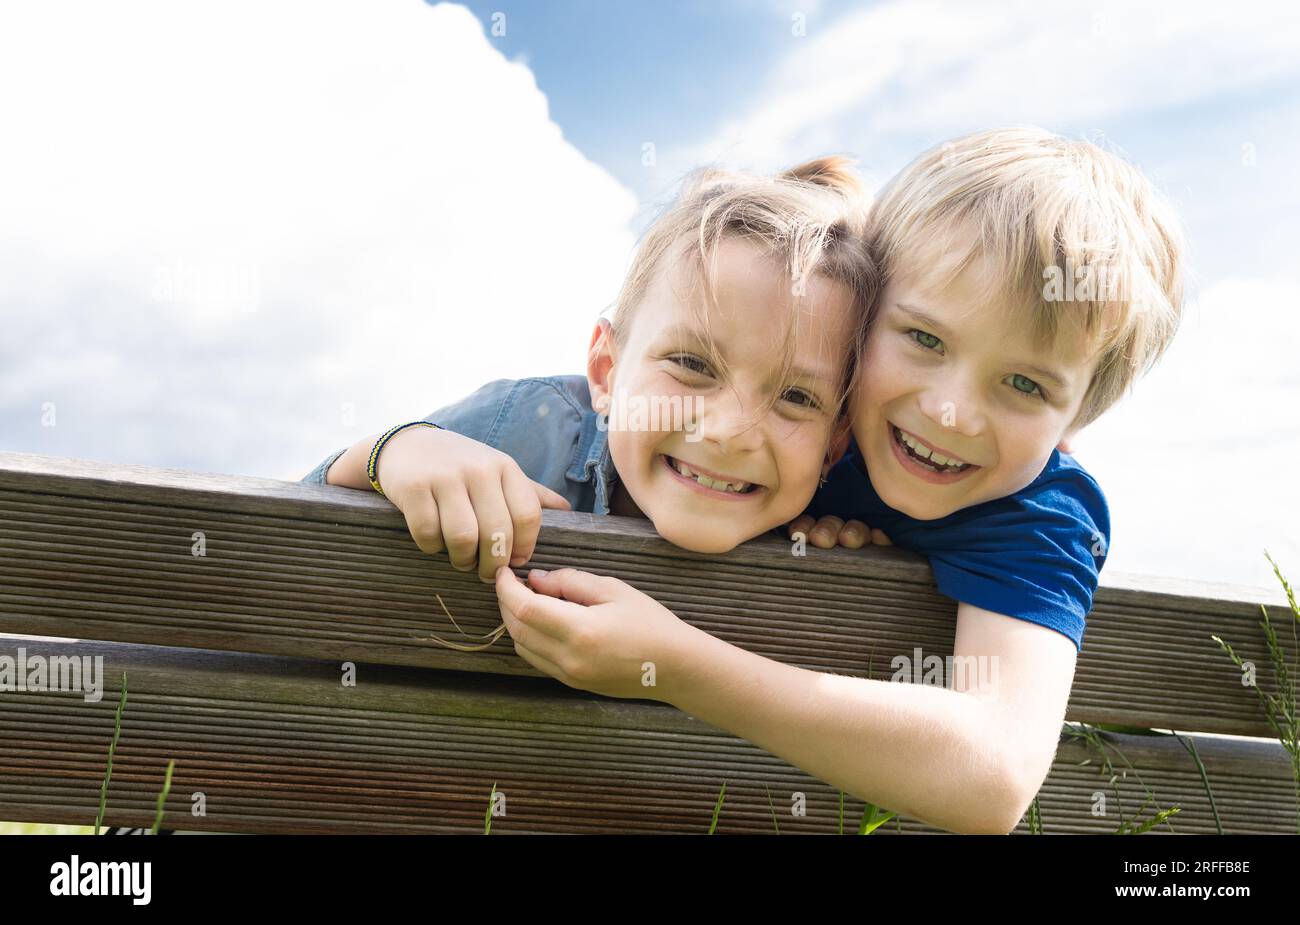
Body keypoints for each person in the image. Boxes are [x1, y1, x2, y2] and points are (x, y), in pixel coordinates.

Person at [491, 127, 1185, 834]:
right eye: (924, 339)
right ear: (859, 321)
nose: (950, 412)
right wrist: (422, 445)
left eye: (1025, 384)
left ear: (1074, 423)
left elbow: (995, 774)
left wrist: (676, 665)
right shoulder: (793, 422)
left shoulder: (1038, 517)